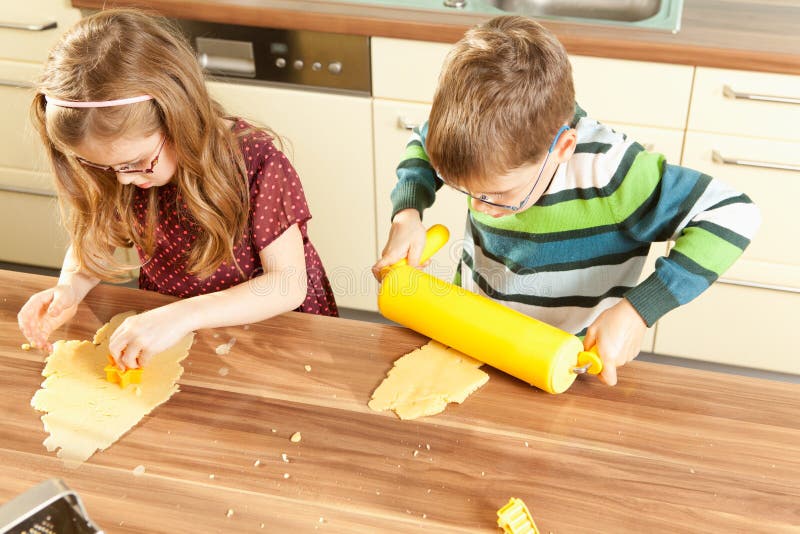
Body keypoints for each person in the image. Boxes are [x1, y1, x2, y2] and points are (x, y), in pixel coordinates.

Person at [372, 15, 760, 386]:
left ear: (563, 147)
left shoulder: (610, 174)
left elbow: (733, 214)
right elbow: (424, 144)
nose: (479, 207)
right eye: (466, 191)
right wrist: (407, 212)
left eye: (498, 195)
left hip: (563, 363)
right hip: (472, 334)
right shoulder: (480, 140)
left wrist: (640, 310)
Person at [18, 8, 338, 370]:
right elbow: (95, 238)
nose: (122, 179)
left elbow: (287, 285)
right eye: (106, 168)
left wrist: (182, 316)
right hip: (174, 329)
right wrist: (69, 288)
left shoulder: (256, 164)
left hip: (272, 337)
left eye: (134, 163)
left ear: (178, 116)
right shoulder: (126, 162)